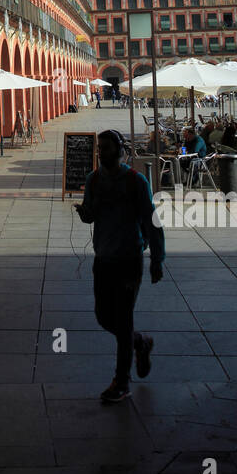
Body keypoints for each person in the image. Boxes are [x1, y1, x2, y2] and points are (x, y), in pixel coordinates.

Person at [76, 129, 166, 403]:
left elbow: (151, 221)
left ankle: (122, 381)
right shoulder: (93, 180)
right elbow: (91, 215)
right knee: (103, 316)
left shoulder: (135, 181)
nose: (101, 152)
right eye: (99, 148)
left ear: (119, 150)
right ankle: (140, 342)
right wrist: (85, 214)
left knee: (124, 319)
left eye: (106, 148)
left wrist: (157, 259)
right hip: (103, 258)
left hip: (129, 258)